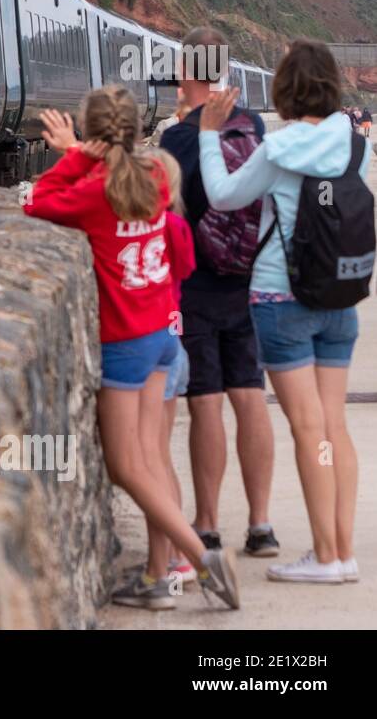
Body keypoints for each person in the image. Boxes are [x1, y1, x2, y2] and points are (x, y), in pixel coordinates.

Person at [24, 84, 240, 610]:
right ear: (139, 131)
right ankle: (158, 576)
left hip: (125, 346)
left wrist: (69, 156)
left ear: (90, 133)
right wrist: (86, 152)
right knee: (151, 457)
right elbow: (175, 252)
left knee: (125, 467)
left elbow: (35, 201)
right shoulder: (154, 176)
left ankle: (203, 557)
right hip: (166, 337)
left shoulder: (94, 192)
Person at [198, 41, 368, 584]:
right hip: (340, 297)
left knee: (308, 429)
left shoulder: (277, 150)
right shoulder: (358, 146)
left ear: (286, 90)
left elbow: (223, 197)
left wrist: (206, 134)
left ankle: (325, 556)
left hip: (281, 298)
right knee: (333, 427)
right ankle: (343, 551)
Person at [160, 27, 278, 559]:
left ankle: (207, 524)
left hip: (196, 285)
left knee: (206, 401)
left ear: (188, 72)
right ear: (225, 67)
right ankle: (261, 525)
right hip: (247, 281)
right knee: (250, 395)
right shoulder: (251, 124)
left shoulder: (179, 137)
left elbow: (168, 207)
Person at [154, 148, 197, 587]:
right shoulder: (178, 226)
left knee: (152, 459)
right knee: (162, 457)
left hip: (150, 349)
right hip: (175, 342)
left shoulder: (146, 228)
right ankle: (179, 556)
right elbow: (185, 268)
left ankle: (178, 557)